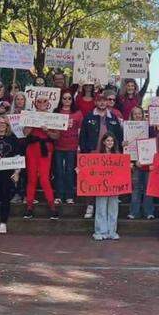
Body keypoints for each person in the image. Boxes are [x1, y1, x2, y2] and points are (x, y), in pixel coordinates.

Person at [79, 91, 124, 219]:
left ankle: (105, 209)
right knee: (91, 182)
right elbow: (82, 137)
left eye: (105, 100)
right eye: (99, 100)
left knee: (107, 181)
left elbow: (119, 137)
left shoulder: (113, 117)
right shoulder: (88, 117)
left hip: (109, 155)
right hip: (92, 154)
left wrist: (119, 151)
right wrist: (84, 155)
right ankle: (90, 206)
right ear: (95, 102)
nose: (102, 103)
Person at [22, 95, 59, 220]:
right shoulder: (30, 115)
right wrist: (33, 123)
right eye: (39, 101)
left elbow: (56, 136)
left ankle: (52, 206)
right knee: (32, 178)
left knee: (44, 178)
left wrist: (47, 131)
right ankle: (29, 207)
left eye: (44, 101)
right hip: (32, 148)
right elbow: (25, 133)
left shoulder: (52, 117)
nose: (42, 103)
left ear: (48, 103)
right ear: (35, 103)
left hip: (45, 149)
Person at [92, 132, 124, 240]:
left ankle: (112, 231)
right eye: (108, 140)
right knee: (101, 208)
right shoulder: (98, 154)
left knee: (113, 209)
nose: (110, 143)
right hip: (101, 186)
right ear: (104, 142)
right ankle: (100, 231)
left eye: (112, 141)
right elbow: (90, 168)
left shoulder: (117, 155)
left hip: (114, 186)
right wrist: (81, 171)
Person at [52, 92, 82, 205]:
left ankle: (69, 196)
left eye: (69, 98)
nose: (67, 100)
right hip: (58, 145)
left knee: (70, 171)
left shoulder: (77, 113)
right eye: (64, 98)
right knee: (58, 171)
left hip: (72, 146)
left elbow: (80, 130)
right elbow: (51, 127)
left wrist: (79, 146)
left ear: (72, 100)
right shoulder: (56, 112)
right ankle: (59, 195)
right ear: (61, 100)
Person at [126, 106, 156, 220]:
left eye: (140, 113)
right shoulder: (127, 128)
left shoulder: (149, 128)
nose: (138, 115)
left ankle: (149, 211)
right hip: (135, 163)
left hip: (148, 164)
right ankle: (134, 212)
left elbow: (154, 145)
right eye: (135, 114)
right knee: (136, 188)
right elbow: (127, 147)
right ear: (132, 116)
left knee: (148, 188)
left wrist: (147, 162)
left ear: (143, 115)